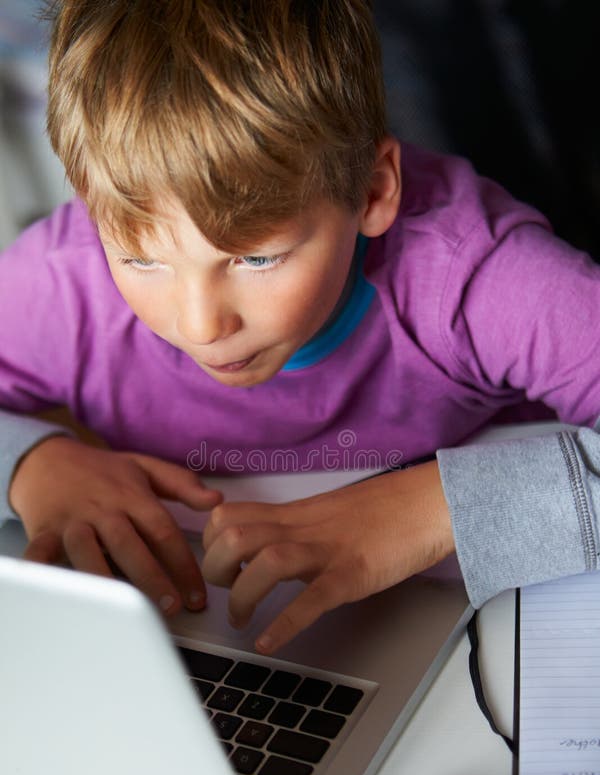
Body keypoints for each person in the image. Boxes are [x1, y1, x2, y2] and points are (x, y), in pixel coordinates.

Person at [1, 0, 599, 656]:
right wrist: (33, 465)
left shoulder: (476, 277)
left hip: (494, 638)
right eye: (141, 258)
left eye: (257, 257)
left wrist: (444, 510)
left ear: (373, 191)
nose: (201, 324)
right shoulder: (63, 285)